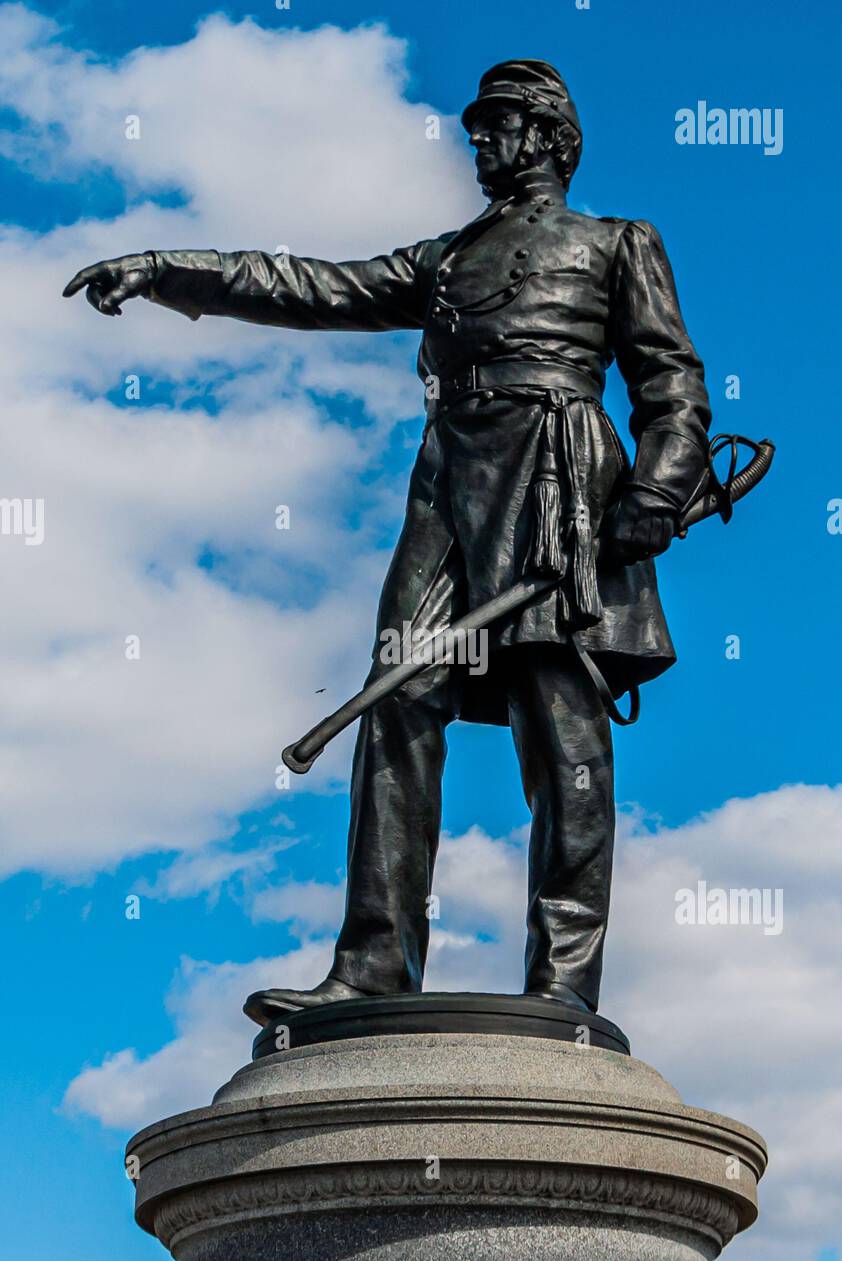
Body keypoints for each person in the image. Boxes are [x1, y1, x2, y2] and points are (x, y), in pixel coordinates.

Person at [64, 59, 711, 1021]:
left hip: (560, 489)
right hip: (448, 490)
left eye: (494, 127)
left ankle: (564, 984)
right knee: (396, 699)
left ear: (545, 137)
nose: (478, 143)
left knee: (562, 730)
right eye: (476, 128)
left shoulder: (616, 243)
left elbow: (673, 385)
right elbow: (313, 285)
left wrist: (654, 491)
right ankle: (372, 962)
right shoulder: (446, 260)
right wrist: (163, 269)